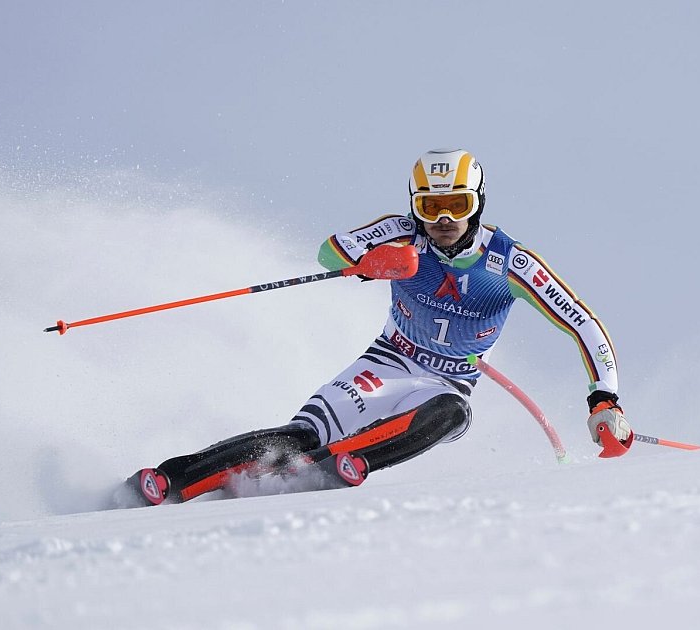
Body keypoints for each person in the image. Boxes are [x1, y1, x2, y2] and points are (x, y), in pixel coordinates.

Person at [125, 148, 631, 506]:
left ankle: (346, 464)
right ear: (416, 204)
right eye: (431, 206)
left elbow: (582, 323)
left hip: (447, 381)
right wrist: (377, 260)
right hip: (387, 362)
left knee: (453, 412)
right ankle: (168, 480)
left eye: (457, 205)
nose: (443, 219)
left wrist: (604, 401)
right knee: (301, 435)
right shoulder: (403, 232)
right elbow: (330, 252)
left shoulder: (510, 262)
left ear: (477, 203)